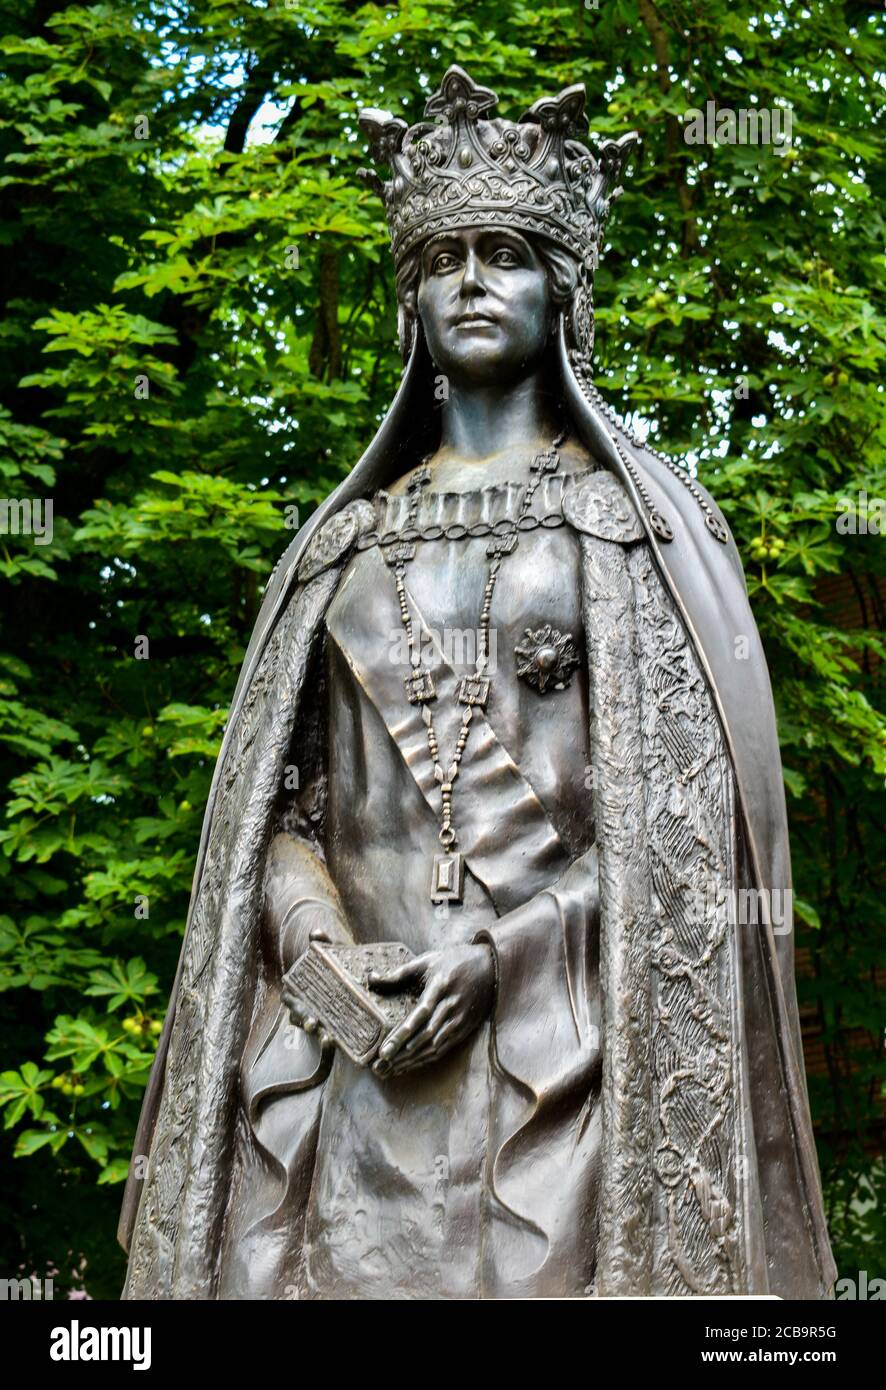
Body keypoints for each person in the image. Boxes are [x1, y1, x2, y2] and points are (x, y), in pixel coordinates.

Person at [120, 66, 836, 1301]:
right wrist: (315, 936)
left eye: (503, 251)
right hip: (343, 1077)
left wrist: (503, 953)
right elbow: (279, 822)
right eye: (441, 255)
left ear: (565, 287)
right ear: (408, 303)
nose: (469, 278)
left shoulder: (633, 534)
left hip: (557, 1070)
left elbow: (676, 839)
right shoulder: (335, 552)